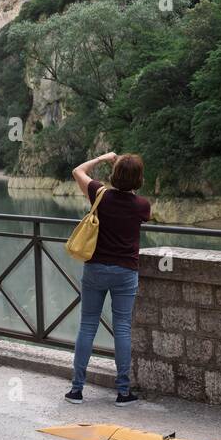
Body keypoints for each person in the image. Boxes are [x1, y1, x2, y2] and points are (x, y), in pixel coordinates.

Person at [66, 151, 150, 406]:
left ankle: (76, 390)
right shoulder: (142, 206)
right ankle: (123, 392)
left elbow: (78, 171)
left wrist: (104, 158)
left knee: (88, 326)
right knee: (122, 328)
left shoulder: (99, 194)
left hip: (95, 269)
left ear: (113, 175)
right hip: (125, 272)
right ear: (139, 180)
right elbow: (134, 208)